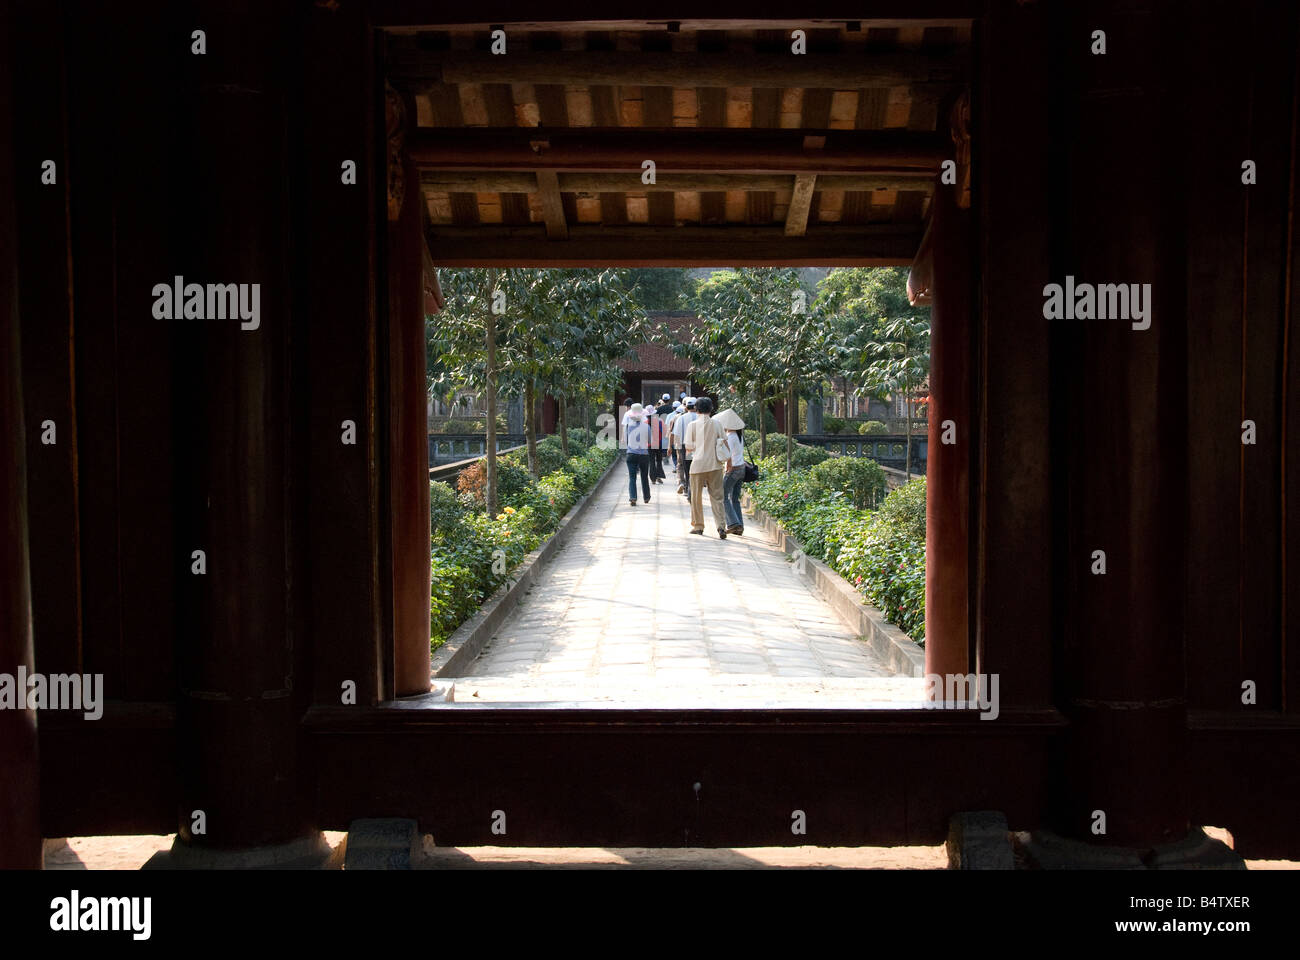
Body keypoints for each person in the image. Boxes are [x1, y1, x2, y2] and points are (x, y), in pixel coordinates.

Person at [683, 396, 729, 538]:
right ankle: (721, 526)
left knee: (696, 497)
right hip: (715, 464)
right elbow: (724, 443)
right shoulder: (717, 424)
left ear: (696, 409)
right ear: (711, 409)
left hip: (697, 465)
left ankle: (698, 526)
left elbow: (688, 448)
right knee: (717, 497)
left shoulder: (692, 425)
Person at [714, 408, 747, 535]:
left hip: (733, 470)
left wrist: (728, 469)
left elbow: (729, 456)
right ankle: (739, 526)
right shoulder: (739, 436)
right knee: (734, 498)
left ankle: (733, 524)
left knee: (722, 496)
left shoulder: (730, 437)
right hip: (741, 469)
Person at [625, 404, 651, 506]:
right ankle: (646, 497)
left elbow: (626, 439)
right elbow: (649, 440)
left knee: (632, 477)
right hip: (644, 454)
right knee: (644, 476)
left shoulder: (629, 426)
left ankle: (633, 497)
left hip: (631, 454)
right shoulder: (646, 426)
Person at [672, 397, 697, 500]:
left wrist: (677, 449)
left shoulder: (681, 418)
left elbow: (676, 434)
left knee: (686, 469)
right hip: (697, 446)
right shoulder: (700, 418)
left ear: (686, 407)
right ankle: (693, 490)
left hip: (684, 446)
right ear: (695, 407)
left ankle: (687, 489)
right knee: (695, 469)